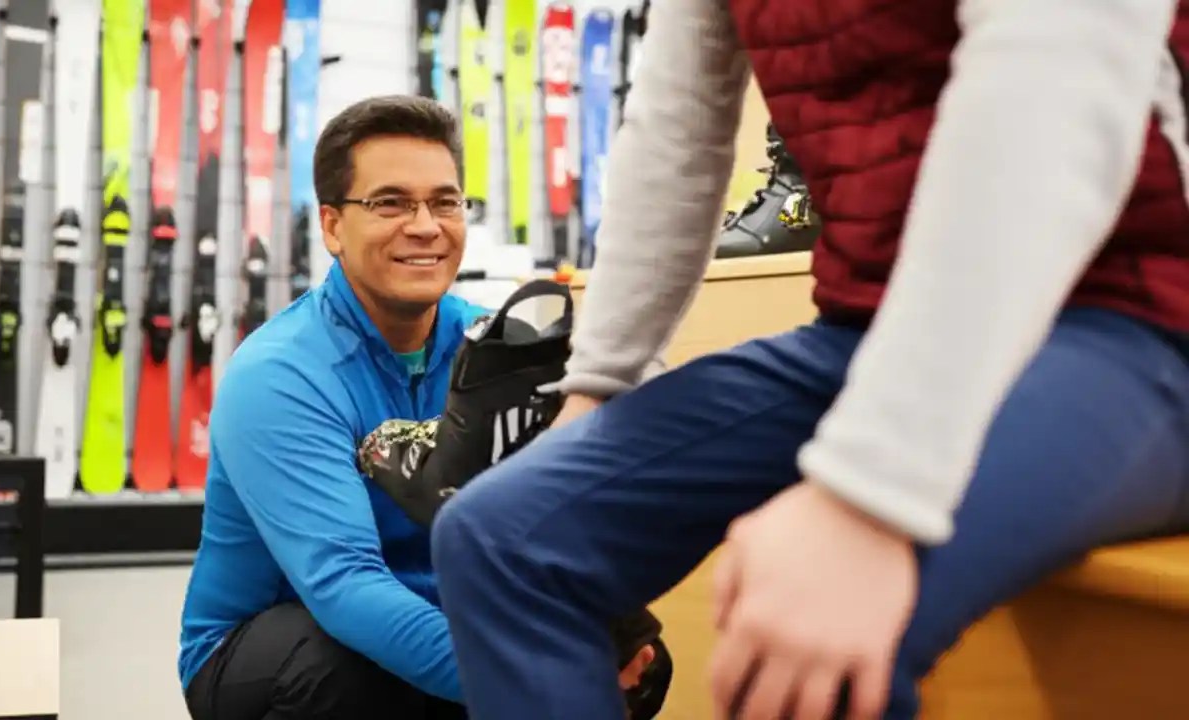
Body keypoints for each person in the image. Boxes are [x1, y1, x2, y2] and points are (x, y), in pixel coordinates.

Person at [429, 1, 1189, 719]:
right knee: (502, 542)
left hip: (1135, 320)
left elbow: (1051, 93)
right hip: (865, 330)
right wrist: (598, 386)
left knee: (816, 631)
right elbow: (676, 130)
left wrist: (869, 491)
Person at [176, 95, 484, 719]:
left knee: (628, 654)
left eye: (444, 201)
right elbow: (343, 586)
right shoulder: (281, 373)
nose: (425, 225)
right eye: (390, 202)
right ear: (333, 226)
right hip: (271, 647)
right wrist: (523, 679)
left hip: (425, 613)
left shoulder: (485, 344)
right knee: (343, 669)